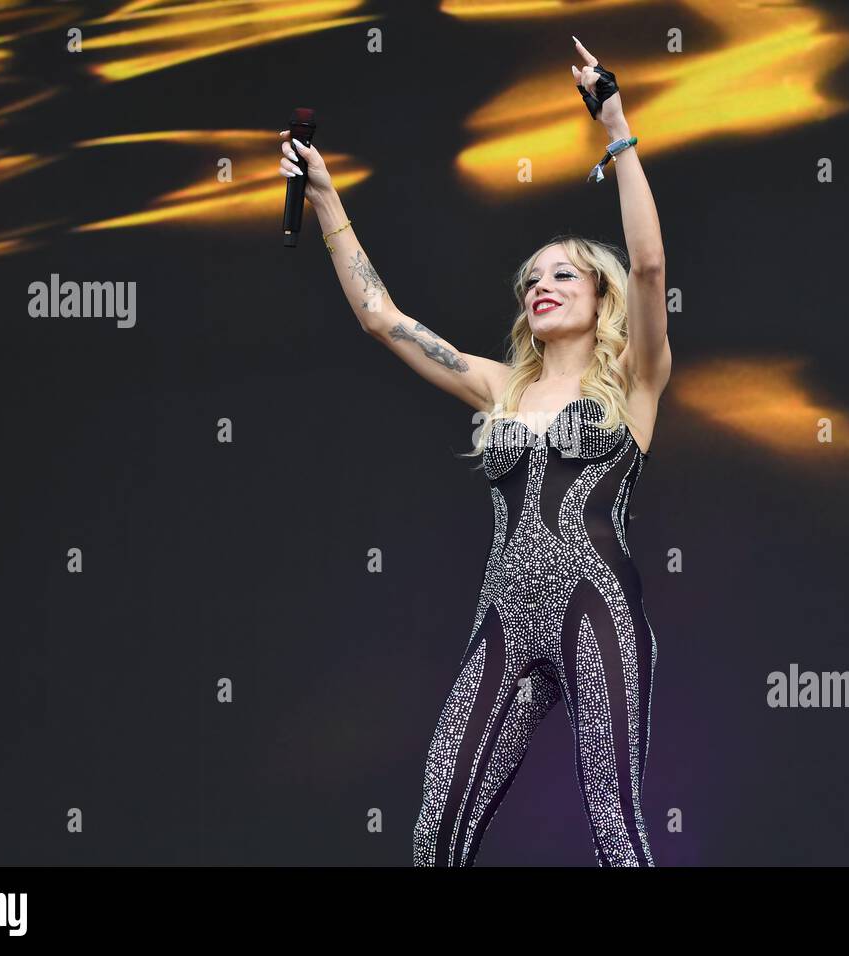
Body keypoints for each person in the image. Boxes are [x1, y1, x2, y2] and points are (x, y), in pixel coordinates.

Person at [278, 37, 670, 866]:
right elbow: (381, 318)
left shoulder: (635, 381)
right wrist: (325, 199)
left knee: (615, 828)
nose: (542, 285)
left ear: (599, 295)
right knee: (434, 834)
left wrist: (618, 128)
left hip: (599, 613)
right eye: (532, 278)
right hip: (503, 620)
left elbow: (648, 261)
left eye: (564, 274)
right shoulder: (498, 387)